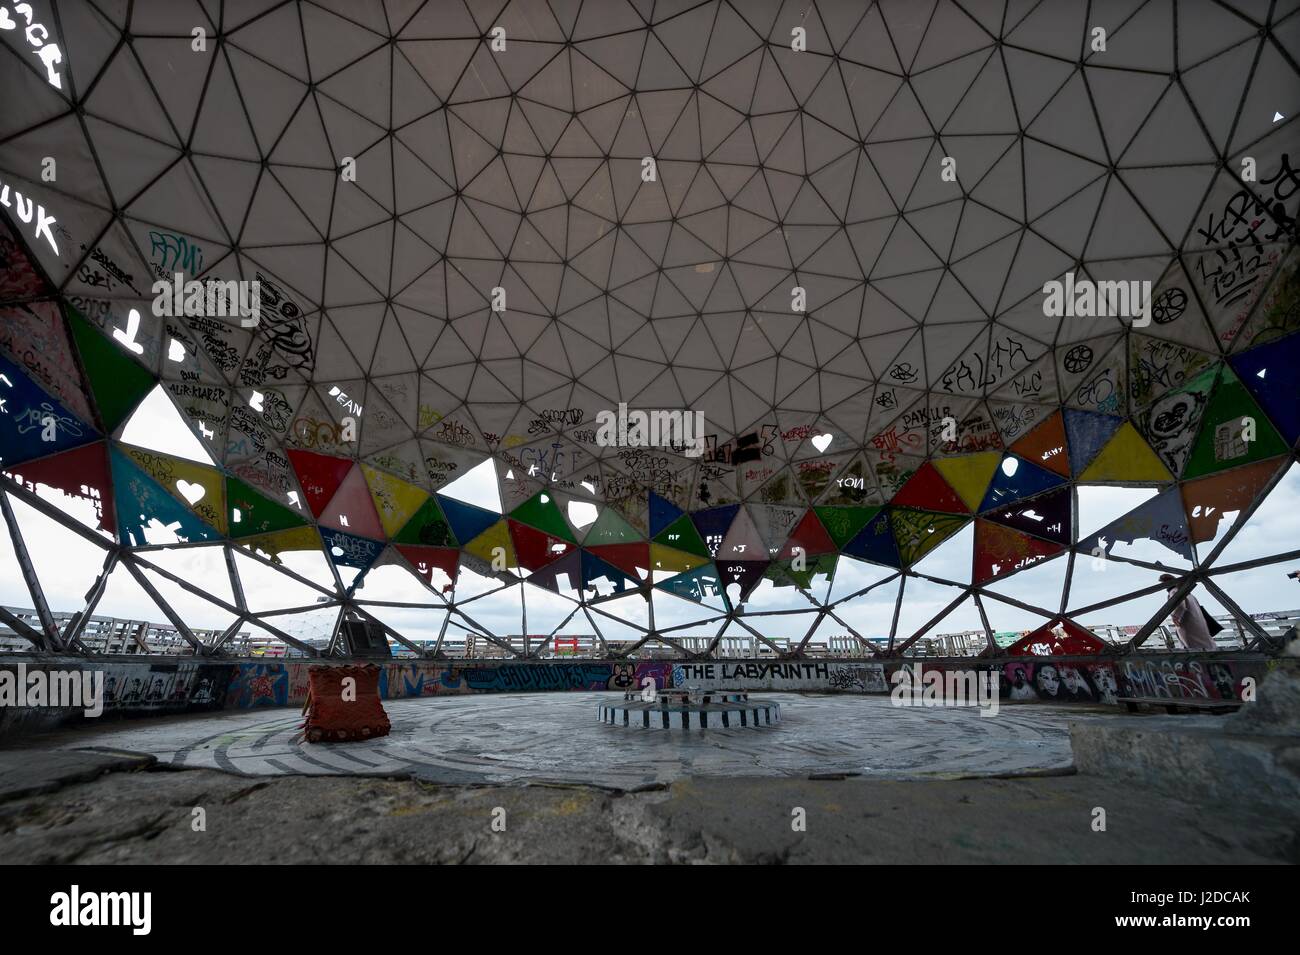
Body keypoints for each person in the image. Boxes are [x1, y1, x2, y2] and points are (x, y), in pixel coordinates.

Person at [1159, 574, 1216, 651]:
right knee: (1204, 643)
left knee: (1191, 645)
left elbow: (1180, 606)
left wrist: (1175, 617)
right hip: (1197, 620)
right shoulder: (1188, 593)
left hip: (1187, 621)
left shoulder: (1174, 591)